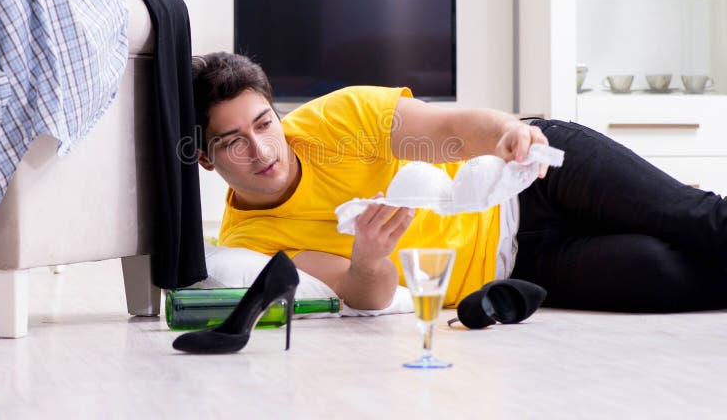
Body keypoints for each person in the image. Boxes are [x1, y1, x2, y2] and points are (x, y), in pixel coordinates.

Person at [192, 52, 727, 313]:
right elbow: (363, 294)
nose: (262, 150)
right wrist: (370, 258)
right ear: (206, 160)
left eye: (265, 124)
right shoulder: (251, 242)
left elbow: (450, 131)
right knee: (665, 272)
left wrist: (509, 133)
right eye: (233, 141)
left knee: (693, 218)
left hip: (530, 177)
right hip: (518, 268)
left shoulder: (336, 121)